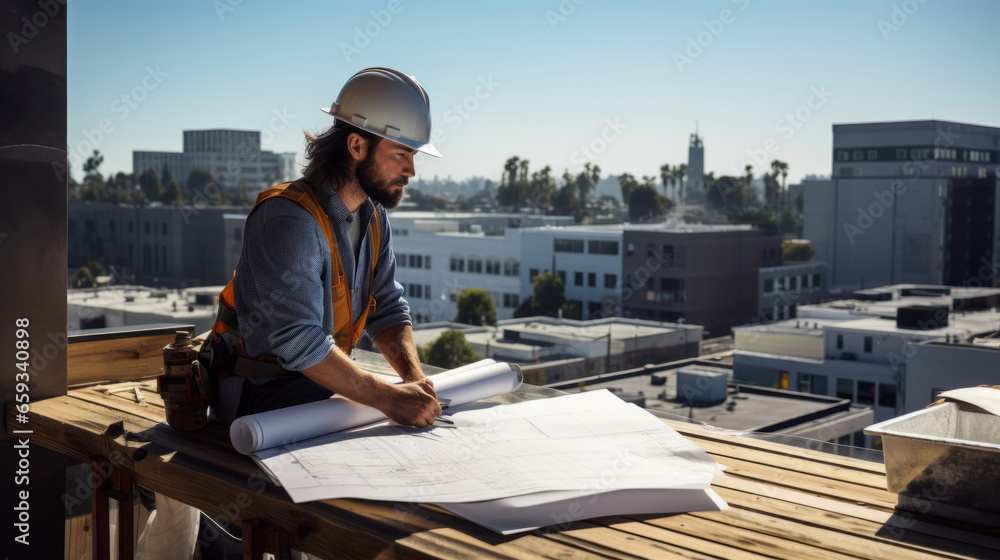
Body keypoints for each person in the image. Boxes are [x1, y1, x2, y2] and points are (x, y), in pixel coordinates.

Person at [206, 67, 443, 429]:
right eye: (401, 154)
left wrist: (413, 379)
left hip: (318, 387)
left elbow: (387, 308)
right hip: (259, 401)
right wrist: (388, 397)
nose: (411, 170)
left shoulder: (373, 215)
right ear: (356, 146)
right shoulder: (289, 220)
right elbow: (296, 339)